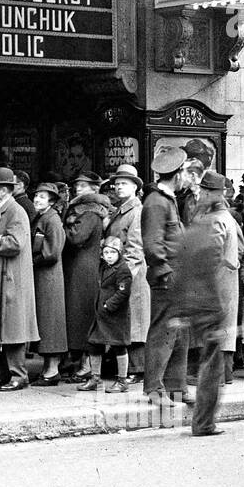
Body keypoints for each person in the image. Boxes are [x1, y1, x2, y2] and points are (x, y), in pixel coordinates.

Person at [174, 172, 236, 436]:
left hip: (198, 299)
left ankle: (203, 421)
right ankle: (203, 423)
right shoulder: (221, 221)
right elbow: (211, 262)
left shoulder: (200, 220)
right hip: (214, 298)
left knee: (208, 360)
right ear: (220, 194)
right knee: (212, 364)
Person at [0, 165, 38, 392]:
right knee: (0, 327)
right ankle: (6, 374)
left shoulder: (16, 211)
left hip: (10, 280)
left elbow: (15, 244)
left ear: (3, 189)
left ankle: (18, 375)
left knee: (13, 329)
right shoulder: (4, 210)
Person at [142, 146, 190, 406]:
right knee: (163, 331)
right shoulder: (157, 202)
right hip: (167, 278)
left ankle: (176, 387)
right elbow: (152, 244)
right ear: (177, 173)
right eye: (184, 171)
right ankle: (154, 389)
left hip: (177, 276)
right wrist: (165, 271)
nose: (186, 176)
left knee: (180, 332)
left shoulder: (167, 199)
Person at [61, 172, 112, 380]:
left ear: (93, 188)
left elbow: (77, 237)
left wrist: (63, 225)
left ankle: (85, 364)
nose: (78, 188)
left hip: (83, 268)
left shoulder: (89, 211)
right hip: (80, 266)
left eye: (83, 185)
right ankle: (80, 361)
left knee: (81, 315)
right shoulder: (86, 209)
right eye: (77, 185)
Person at [103, 164, 148, 385]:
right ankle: (128, 367)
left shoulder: (136, 212)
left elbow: (135, 250)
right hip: (121, 273)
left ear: (135, 187)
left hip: (131, 276)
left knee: (135, 323)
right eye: (117, 183)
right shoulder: (122, 210)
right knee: (127, 321)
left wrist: (121, 277)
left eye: (124, 184)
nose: (119, 187)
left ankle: (137, 369)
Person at [79, 236, 132, 394]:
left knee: (119, 346)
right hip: (102, 315)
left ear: (119, 253)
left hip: (116, 316)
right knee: (94, 343)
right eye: (106, 252)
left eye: (112, 253)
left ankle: (122, 380)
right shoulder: (103, 267)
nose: (109, 255)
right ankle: (95, 378)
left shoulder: (123, 270)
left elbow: (123, 293)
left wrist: (108, 305)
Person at [29, 182, 67, 386]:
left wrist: (32, 261)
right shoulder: (43, 217)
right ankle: (47, 370)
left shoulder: (52, 220)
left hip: (49, 279)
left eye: (42, 197)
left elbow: (52, 252)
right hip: (43, 277)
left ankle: (52, 371)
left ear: (51, 201)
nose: (37, 199)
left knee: (50, 324)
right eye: (36, 196)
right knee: (45, 323)